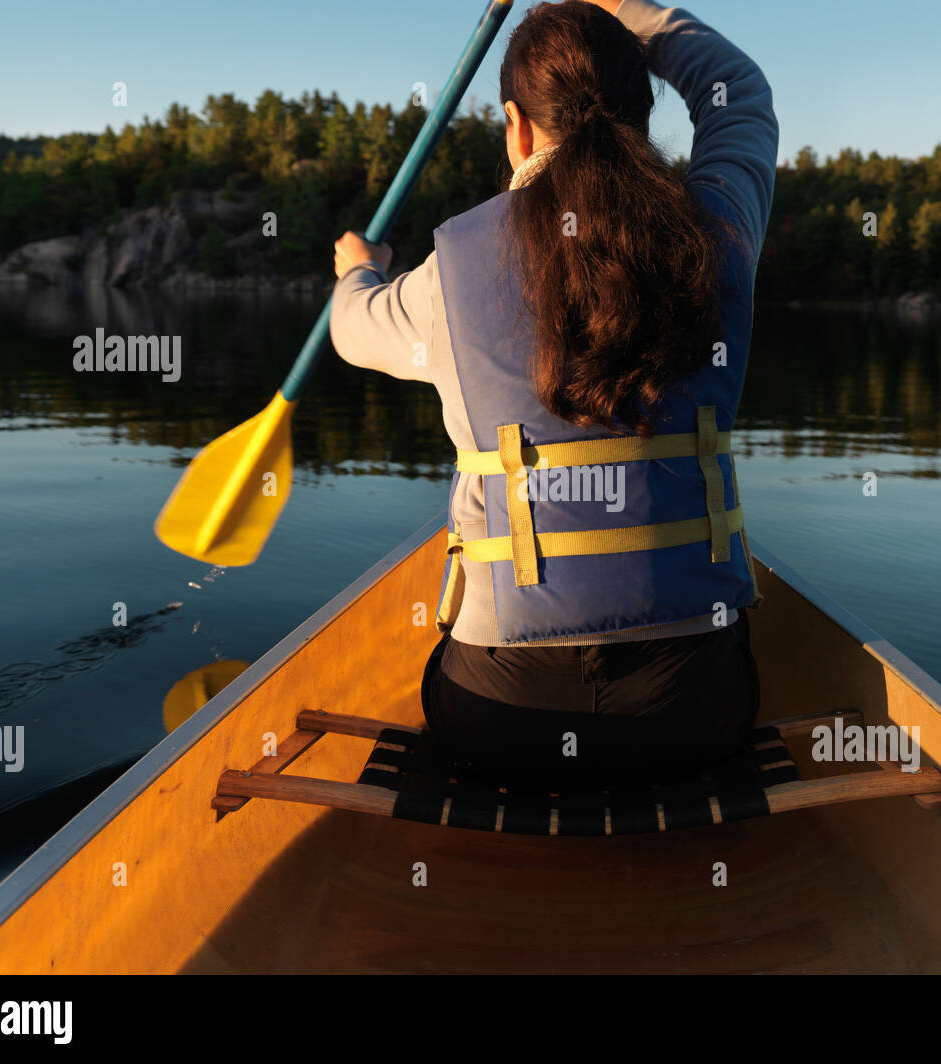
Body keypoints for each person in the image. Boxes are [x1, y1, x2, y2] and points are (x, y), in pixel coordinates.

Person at [329, 0, 778, 790]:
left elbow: (352, 329)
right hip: (694, 710)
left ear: (515, 124)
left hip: (496, 717)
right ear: (643, 113)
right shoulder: (720, 229)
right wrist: (618, 5)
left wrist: (357, 269)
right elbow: (737, 89)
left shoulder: (453, 274)